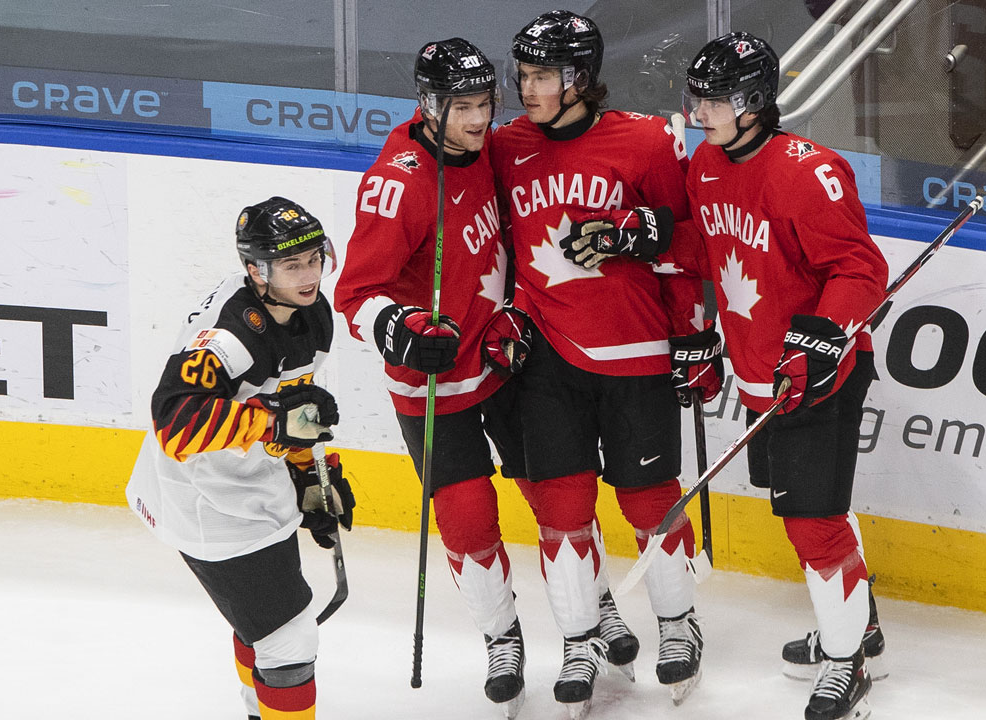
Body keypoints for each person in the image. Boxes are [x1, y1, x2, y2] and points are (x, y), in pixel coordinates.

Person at [591, 31, 890, 720]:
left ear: (754, 99)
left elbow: (860, 269)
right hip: (761, 373)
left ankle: (850, 666)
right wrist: (653, 235)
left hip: (822, 373)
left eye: (714, 98)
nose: (699, 109)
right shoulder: (707, 163)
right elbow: (715, 245)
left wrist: (820, 337)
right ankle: (859, 624)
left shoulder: (808, 170)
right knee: (822, 509)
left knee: (813, 525)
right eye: (696, 96)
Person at [491, 10, 712, 714]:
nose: (528, 89)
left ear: (582, 78)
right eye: (522, 75)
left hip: (635, 351)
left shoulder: (647, 141)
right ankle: (579, 639)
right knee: (560, 507)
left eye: (543, 76)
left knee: (649, 502)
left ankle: (679, 626)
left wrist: (691, 330)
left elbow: (692, 244)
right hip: (547, 356)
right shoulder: (505, 146)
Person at [332, 37, 536, 717]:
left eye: (486, 104)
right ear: (429, 104)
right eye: (464, 107)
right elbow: (357, 293)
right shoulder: (401, 184)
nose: (479, 119)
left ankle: (588, 613)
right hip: (432, 379)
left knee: (556, 486)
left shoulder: (490, 151)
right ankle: (501, 634)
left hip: (503, 356)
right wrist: (401, 329)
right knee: (468, 517)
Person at [126, 197, 354, 720]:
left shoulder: (311, 312)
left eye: (315, 258)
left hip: (253, 482)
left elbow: (293, 397)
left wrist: (309, 473)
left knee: (264, 626)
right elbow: (175, 423)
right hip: (207, 500)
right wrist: (275, 422)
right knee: (290, 640)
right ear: (256, 269)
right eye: (292, 265)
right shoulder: (229, 335)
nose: (309, 274)